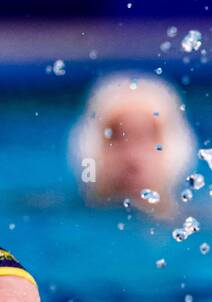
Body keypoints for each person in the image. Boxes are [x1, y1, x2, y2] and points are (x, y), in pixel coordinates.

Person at [69, 74, 196, 219]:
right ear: (88, 151)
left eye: (148, 137)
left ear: (177, 152)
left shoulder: (205, 223)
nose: (132, 158)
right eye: (115, 137)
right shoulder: (55, 216)